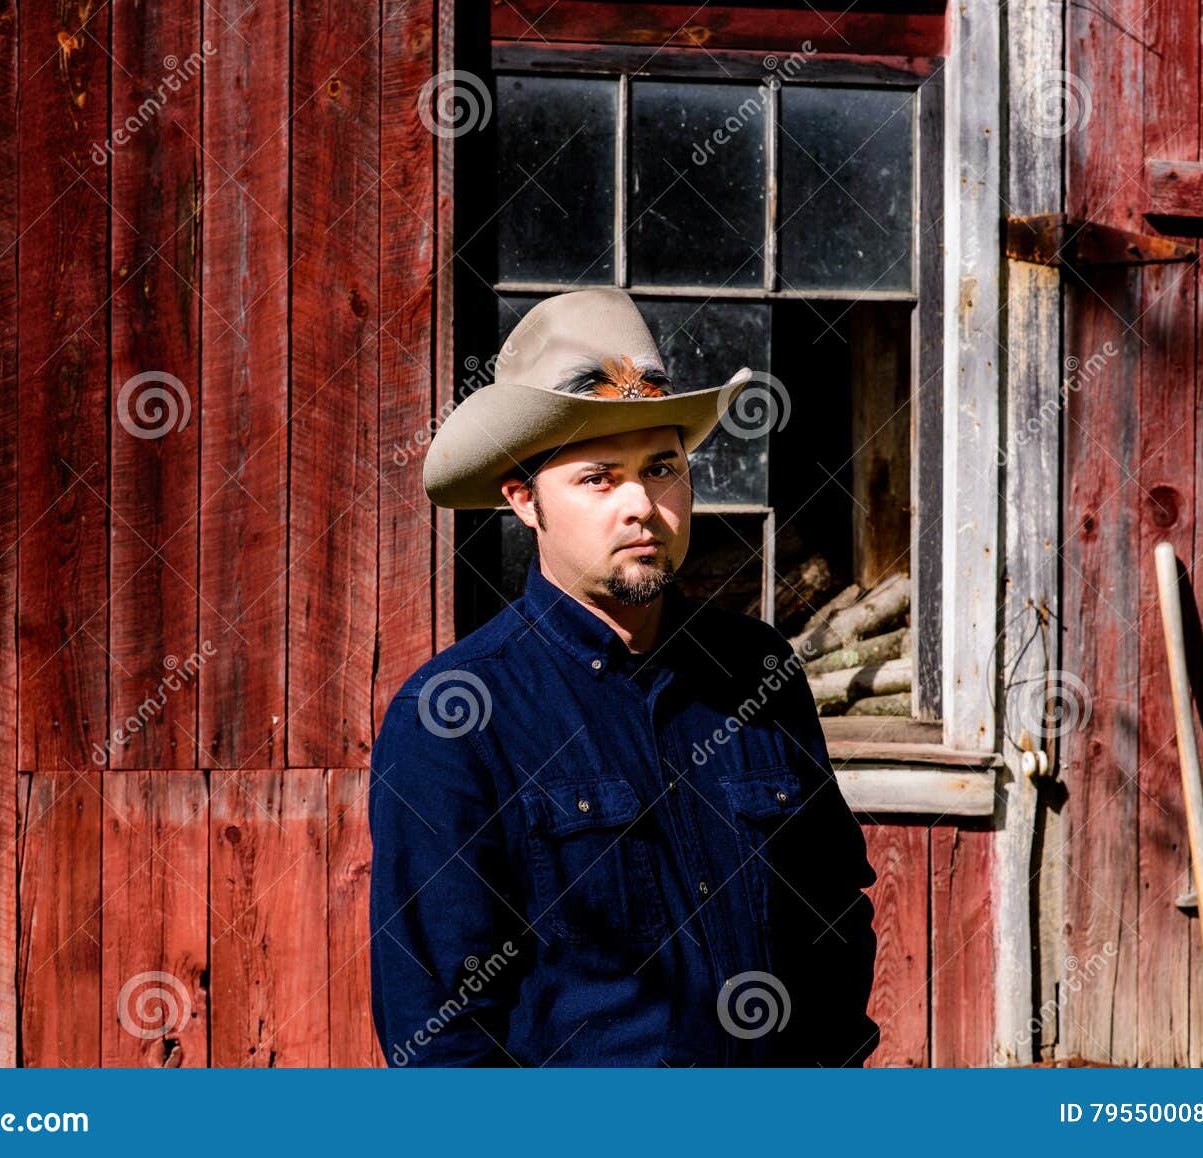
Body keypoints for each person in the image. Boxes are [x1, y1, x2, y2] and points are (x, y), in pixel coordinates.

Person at [368, 287, 877, 1066]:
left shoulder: (756, 672)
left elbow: (835, 910)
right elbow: (440, 1030)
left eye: (662, 467)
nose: (643, 504)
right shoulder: (455, 719)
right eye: (599, 478)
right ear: (523, 500)